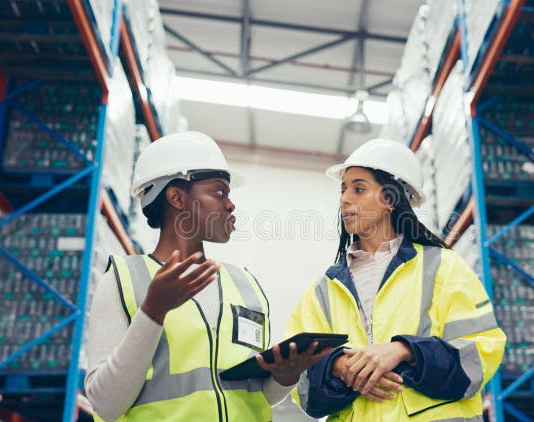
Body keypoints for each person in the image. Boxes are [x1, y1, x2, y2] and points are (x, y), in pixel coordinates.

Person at [85, 131, 330, 421]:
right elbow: (106, 404)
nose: (230, 204)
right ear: (176, 197)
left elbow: (259, 395)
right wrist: (153, 312)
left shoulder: (245, 285)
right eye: (219, 192)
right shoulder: (125, 280)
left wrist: (285, 377)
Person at [285, 138, 507, 420]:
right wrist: (338, 366)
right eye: (343, 190)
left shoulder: (442, 267)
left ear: (389, 199)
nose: (344, 199)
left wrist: (405, 351)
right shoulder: (323, 290)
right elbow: (300, 385)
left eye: (359, 188)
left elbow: (481, 354)